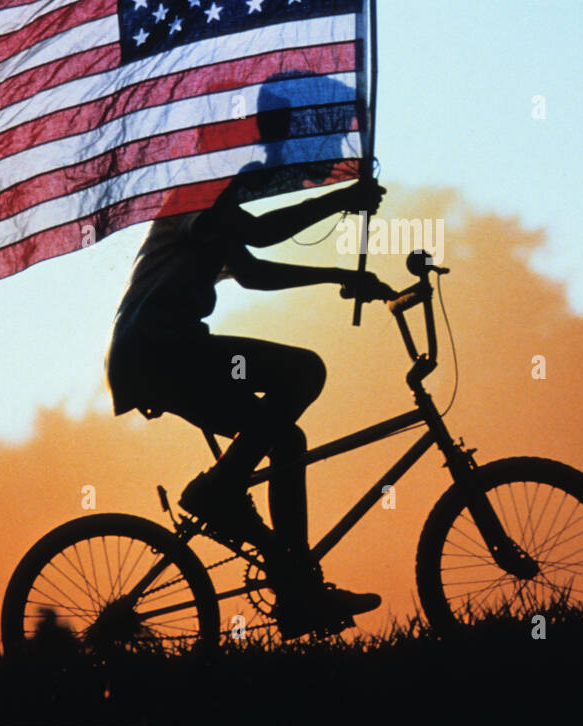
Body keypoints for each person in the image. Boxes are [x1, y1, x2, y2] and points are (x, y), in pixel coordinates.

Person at [105, 109, 394, 639]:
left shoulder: (214, 206)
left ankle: (296, 587)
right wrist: (339, 199)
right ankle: (220, 493)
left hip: (167, 351)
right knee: (302, 370)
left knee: (287, 439)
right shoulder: (197, 198)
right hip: (159, 350)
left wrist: (338, 275)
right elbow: (261, 234)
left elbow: (254, 274)